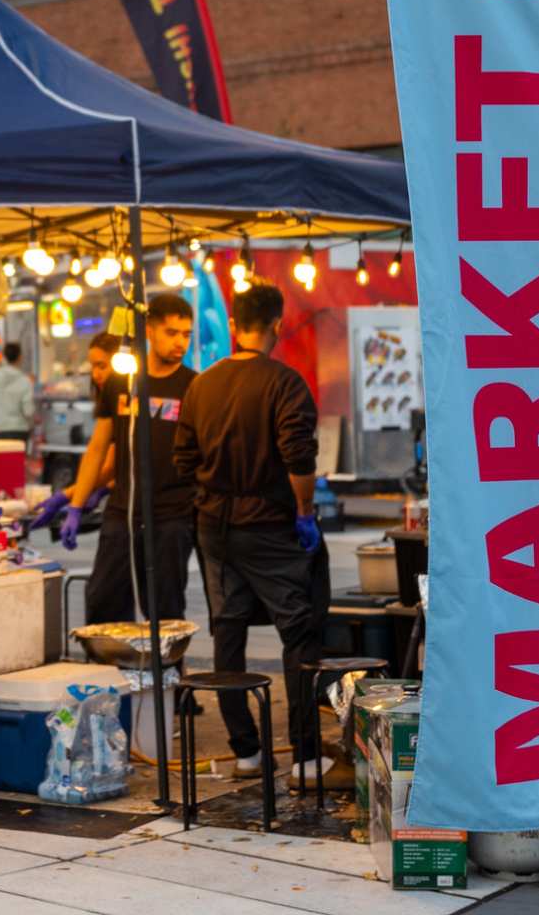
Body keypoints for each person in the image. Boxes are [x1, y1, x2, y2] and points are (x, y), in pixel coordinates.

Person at [174, 279, 331, 791]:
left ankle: (245, 752)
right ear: (277, 326)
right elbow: (299, 456)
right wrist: (305, 511)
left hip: (214, 527)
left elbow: (183, 458)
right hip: (271, 527)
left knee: (229, 630)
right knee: (299, 633)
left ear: (235, 325)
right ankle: (306, 758)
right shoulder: (285, 383)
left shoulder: (201, 384)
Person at [39, 295, 198, 623]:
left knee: (165, 611)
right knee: (102, 600)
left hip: (173, 515)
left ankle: (168, 675)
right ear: (150, 331)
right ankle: (111, 674)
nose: (180, 342)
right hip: (122, 510)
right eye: (171, 332)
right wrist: (76, 505)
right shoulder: (122, 380)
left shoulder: (193, 386)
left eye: (186, 334)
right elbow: (98, 448)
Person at [0, 342, 36, 441]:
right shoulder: (24, 380)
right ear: (20, 357)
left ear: (4, 356)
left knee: (0, 456)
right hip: (19, 430)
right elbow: (28, 411)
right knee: (16, 457)